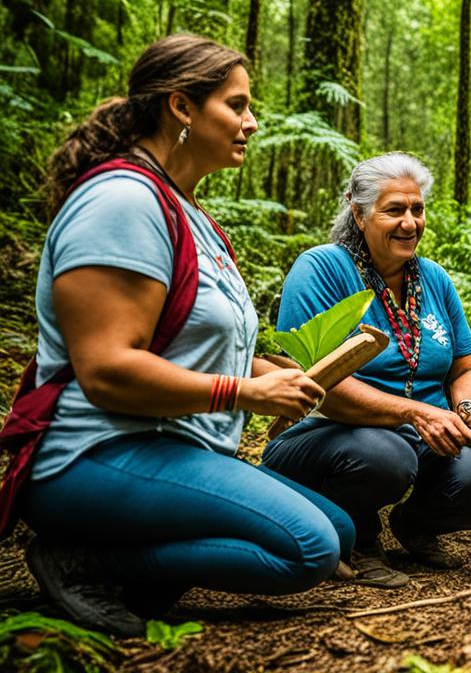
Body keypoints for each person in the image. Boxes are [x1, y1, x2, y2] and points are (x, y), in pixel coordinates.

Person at [2, 35, 352, 637]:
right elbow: (107, 369)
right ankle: (87, 564)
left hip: (173, 446)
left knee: (339, 527)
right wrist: (242, 395)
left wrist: (282, 379)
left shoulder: (186, 210)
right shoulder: (122, 202)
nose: (251, 121)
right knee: (310, 547)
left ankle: (144, 570)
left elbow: (205, 348)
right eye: (236, 105)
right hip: (94, 454)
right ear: (181, 107)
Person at [262, 153, 471, 588]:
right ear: (359, 214)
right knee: (385, 456)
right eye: (394, 210)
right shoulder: (322, 269)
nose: (410, 222)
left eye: (417, 210)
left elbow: (464, 366)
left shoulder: (433, 279)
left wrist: (467, 407)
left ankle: (413, 525)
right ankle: (354, 537)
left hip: (419, 438)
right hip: (323, 437)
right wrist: (415, 413)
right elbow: (320, 386)